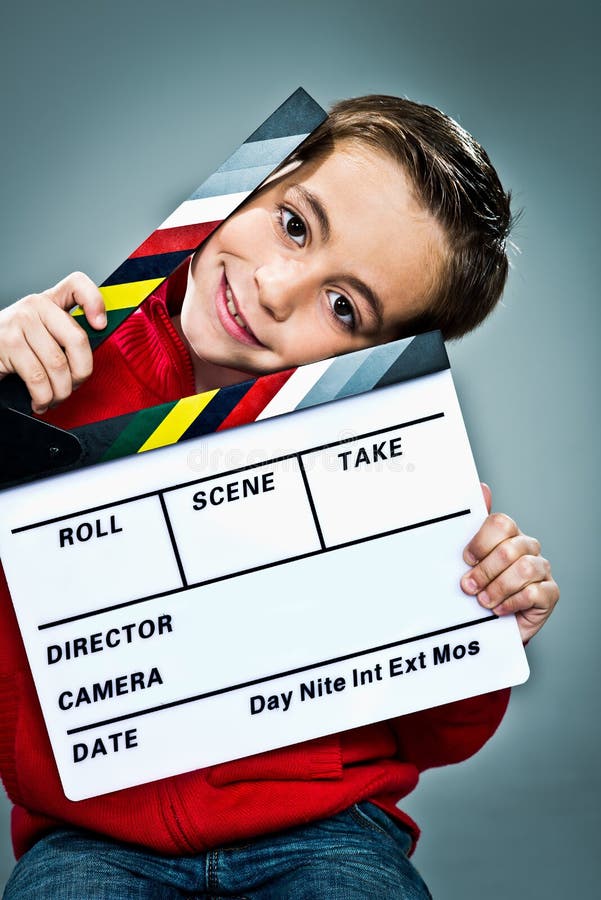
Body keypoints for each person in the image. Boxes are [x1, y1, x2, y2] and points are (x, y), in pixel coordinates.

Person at [0, 96, 559, 898]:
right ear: (257, 177)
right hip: (89, 838)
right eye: (294, 224)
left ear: (386, 354)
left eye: (343, 307)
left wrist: (483, 621)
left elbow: (434, 734)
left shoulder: (384, 469)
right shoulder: (50, 381)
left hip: (328, 831)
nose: (273, 288)